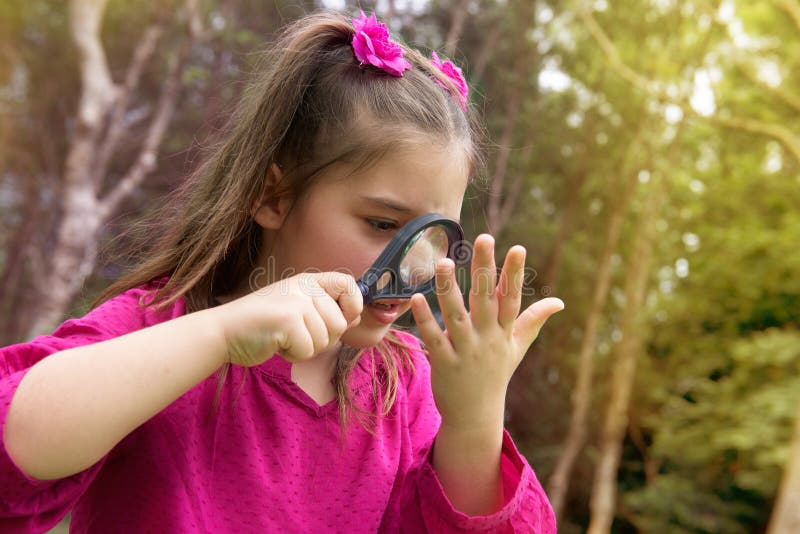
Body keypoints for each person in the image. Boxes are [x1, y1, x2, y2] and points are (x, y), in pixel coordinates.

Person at [0, 10, 563, 533]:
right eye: (381, 223)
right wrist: (217, 334)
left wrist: (473, 421)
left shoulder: (408, 388)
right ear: (274, 196)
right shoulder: (167, 325)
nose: (414, 267)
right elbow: (16, 446)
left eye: (434, 235)